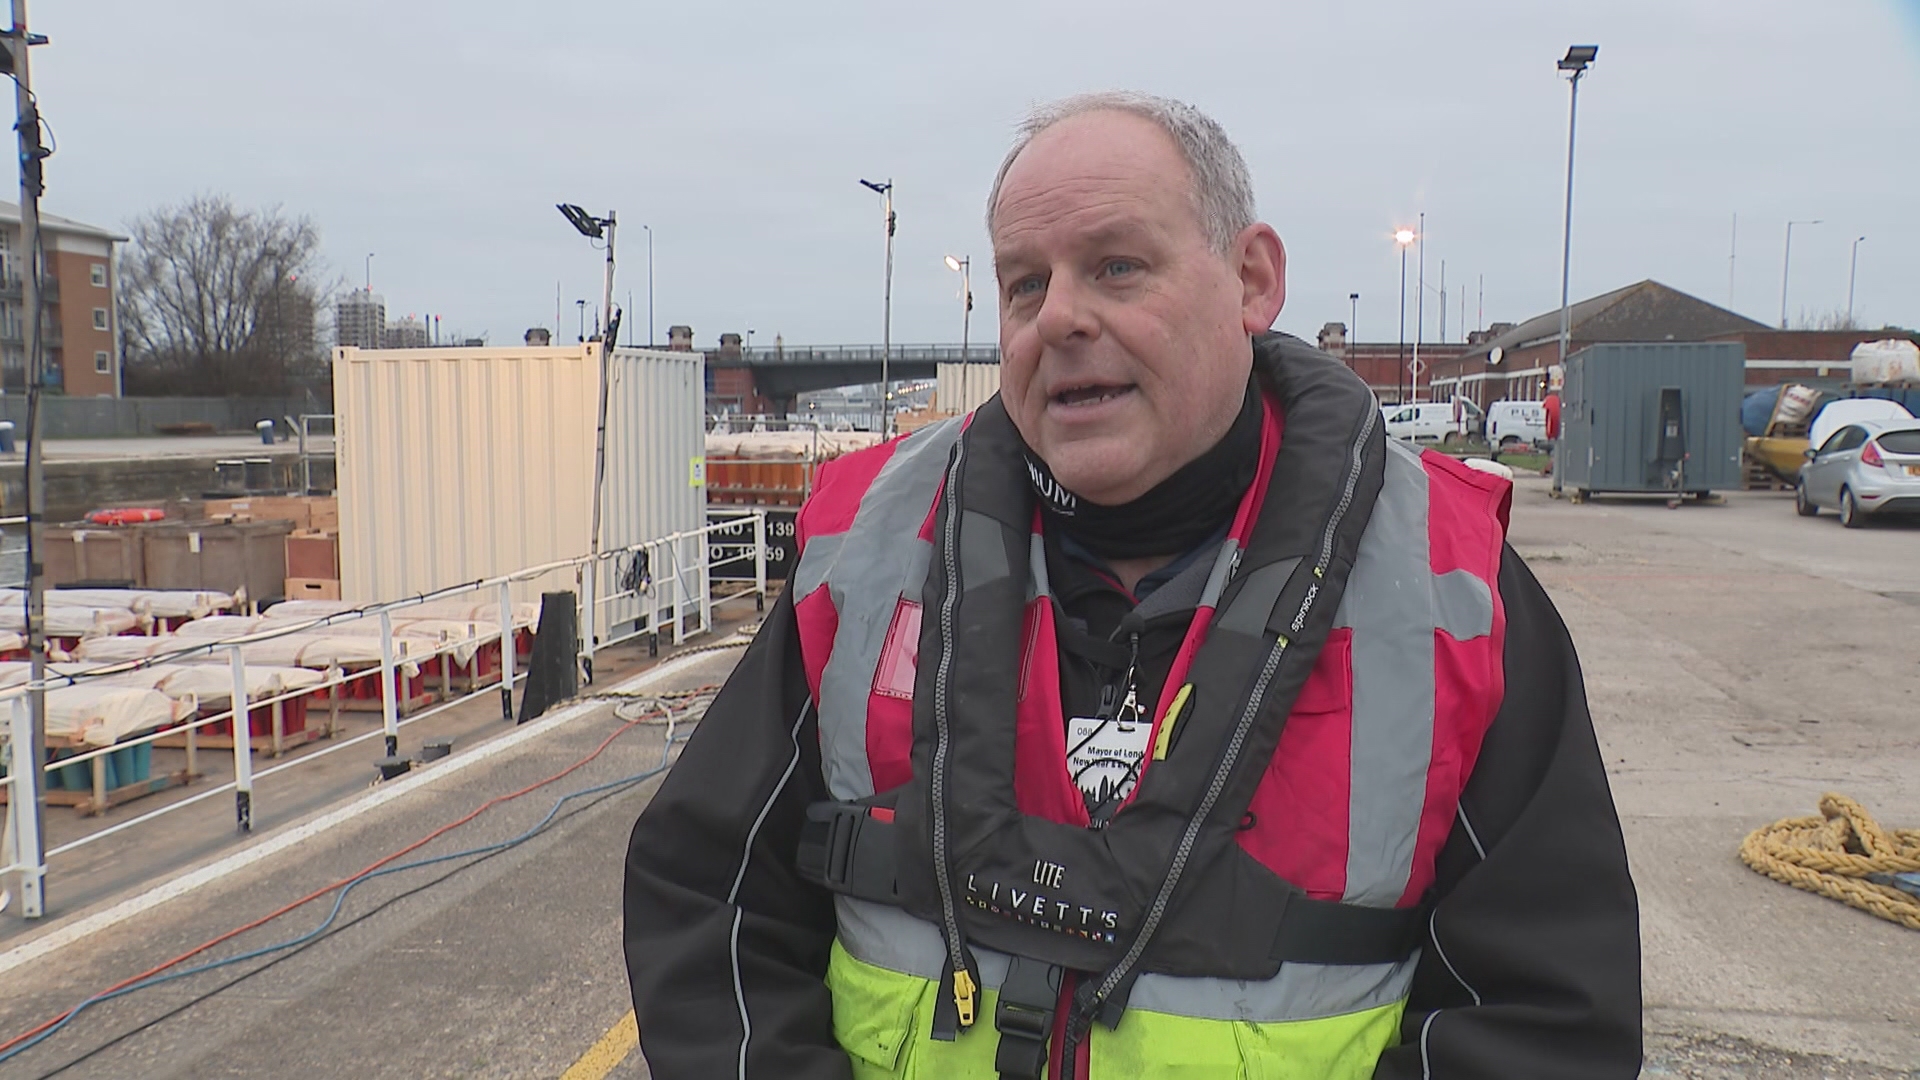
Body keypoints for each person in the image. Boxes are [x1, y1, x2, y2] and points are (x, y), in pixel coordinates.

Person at [625, 91, 1640, 1079]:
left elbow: (1544, 1015)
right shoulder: (866, 551)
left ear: (1251, 279)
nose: (1058, 317)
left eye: (1116, 267)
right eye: (1025, 284)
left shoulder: (1446, 589)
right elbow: (707, 900)